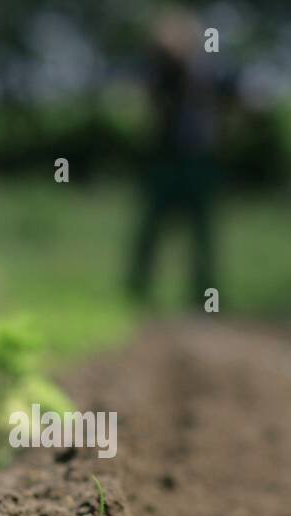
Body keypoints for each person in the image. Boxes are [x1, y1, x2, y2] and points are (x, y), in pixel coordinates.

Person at [127, 9, 231, 305]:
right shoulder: (161, 73)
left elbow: (231, 96)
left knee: (202, 234)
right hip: (165, 161)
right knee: (150, 230)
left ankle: (205, 296)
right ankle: (137, 293)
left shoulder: (208, 71)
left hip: (198, 161)